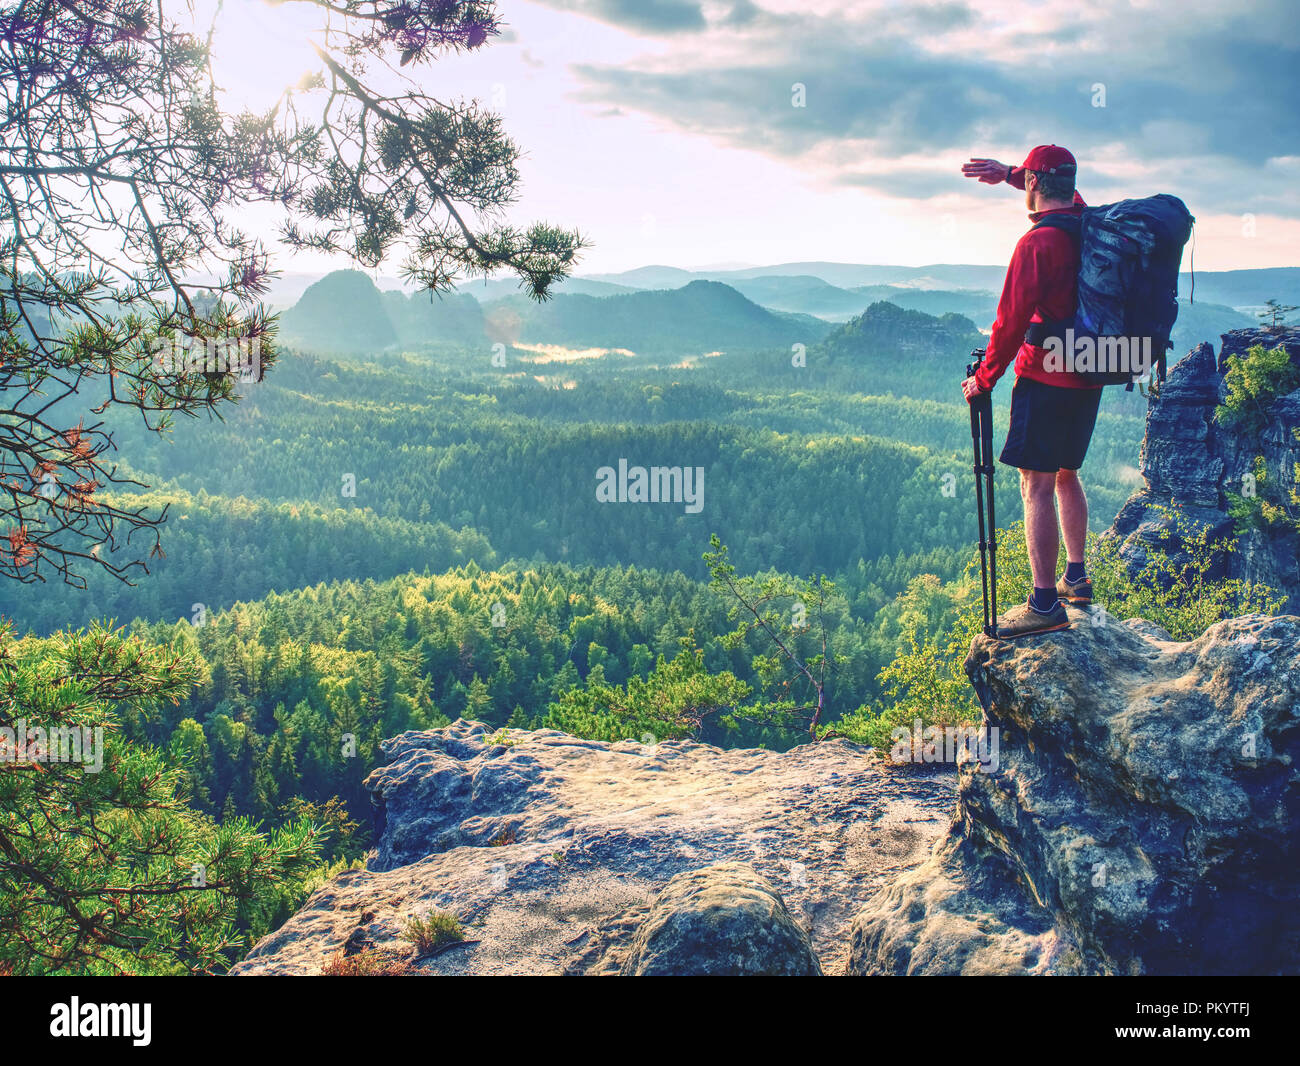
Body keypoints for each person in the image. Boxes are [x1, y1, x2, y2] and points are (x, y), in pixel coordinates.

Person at [959, 145, 1101, 638]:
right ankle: (1076, 579)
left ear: (1036, 185)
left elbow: (1010, 322)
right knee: (1066, 473)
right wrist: (1014, 175)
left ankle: (1043, 605)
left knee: (1035, 483)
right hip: (1091, 370)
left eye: (1028, 181)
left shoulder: (1036, 244)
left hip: (1044, 377)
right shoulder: (1088, 224)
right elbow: (1067, 194)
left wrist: (985, 379)